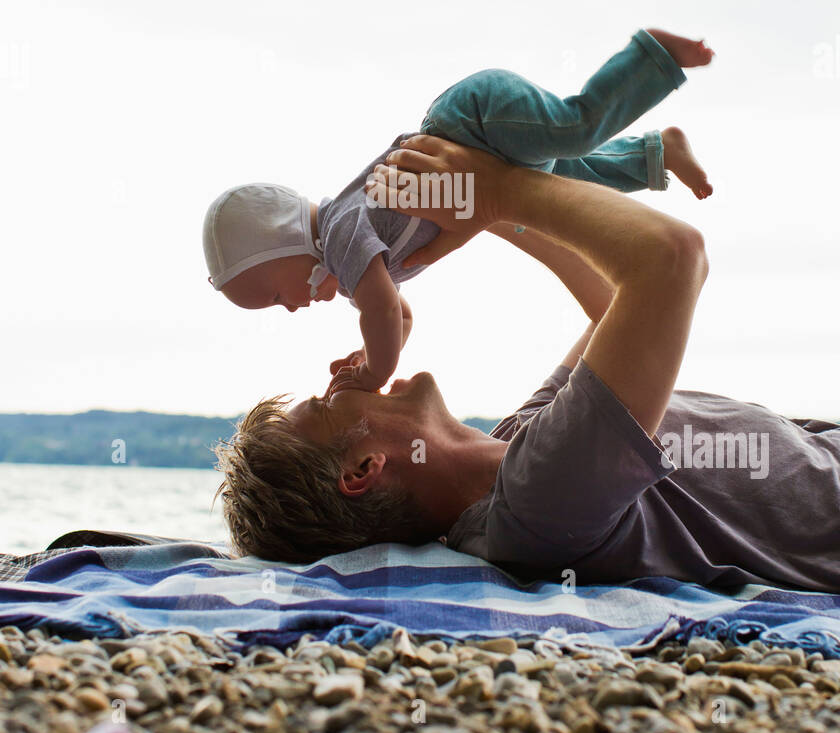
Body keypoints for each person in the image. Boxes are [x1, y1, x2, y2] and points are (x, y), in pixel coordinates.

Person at [215, 135, 840, 593]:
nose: (336, 376)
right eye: (326, 404)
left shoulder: (519, 444)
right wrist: (498, 191)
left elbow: (609, 308)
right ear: (364, 468)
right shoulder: (537, 503)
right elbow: (672, 258)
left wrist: (490, 219)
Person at [203, 27, 713, 393]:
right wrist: (374, 350)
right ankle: (658, 153)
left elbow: (382, 309)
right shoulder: (354, 260)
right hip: (485, 154)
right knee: (572, 177)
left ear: (282, 240)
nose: (290, 308)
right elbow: (396, 313)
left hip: (472, 122)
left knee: (574, 129)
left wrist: (374, 374)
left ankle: (652, 58)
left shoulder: (337, 235)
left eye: (274, 295)